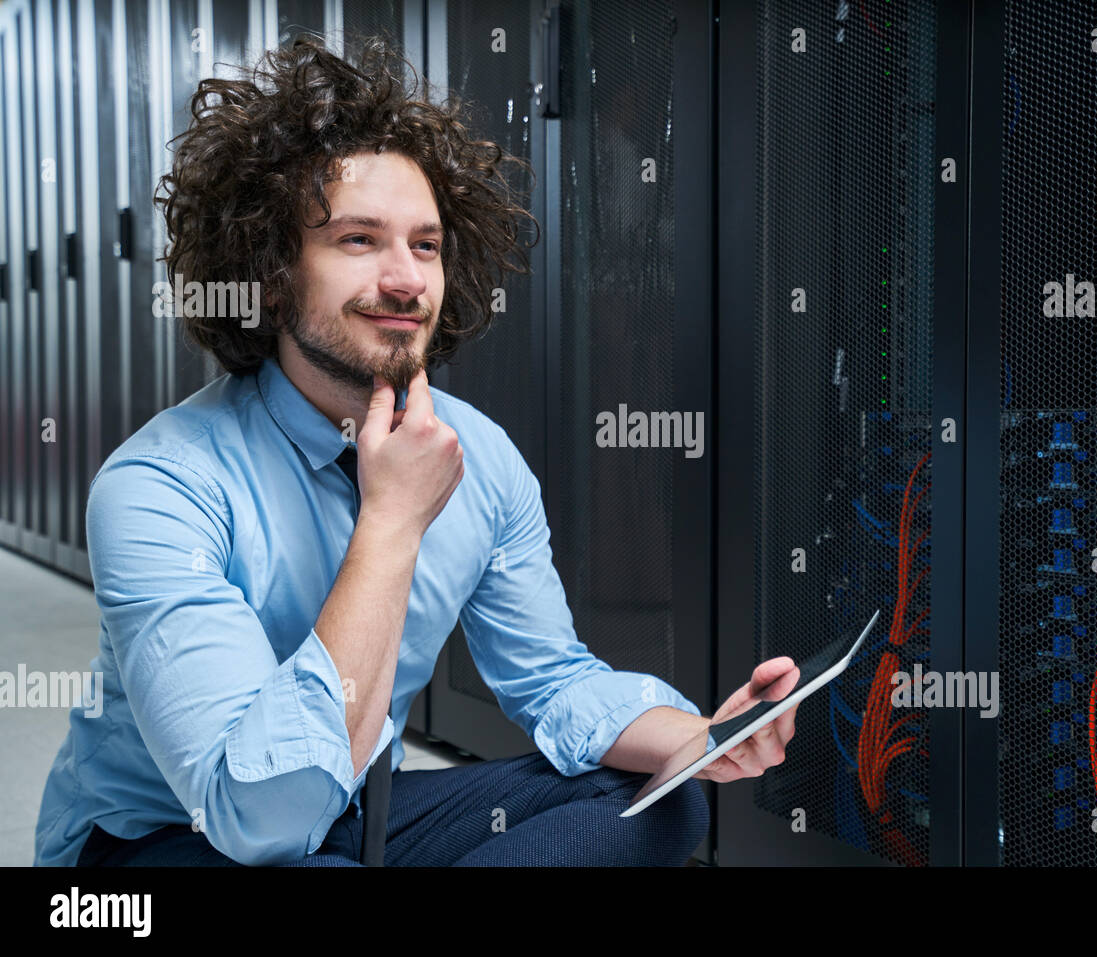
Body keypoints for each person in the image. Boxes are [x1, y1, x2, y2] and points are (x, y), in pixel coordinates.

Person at [33, 35, 799, 868]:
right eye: (358, 240)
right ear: (274, 269)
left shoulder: (482, 458)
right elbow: (259, 818)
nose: (407, 280)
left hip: (357, 814)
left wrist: (700, 735)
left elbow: (552, 681)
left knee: (651, 798)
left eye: (426, 245)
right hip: (173, 834)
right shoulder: (162, 484)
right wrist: (391, 519)